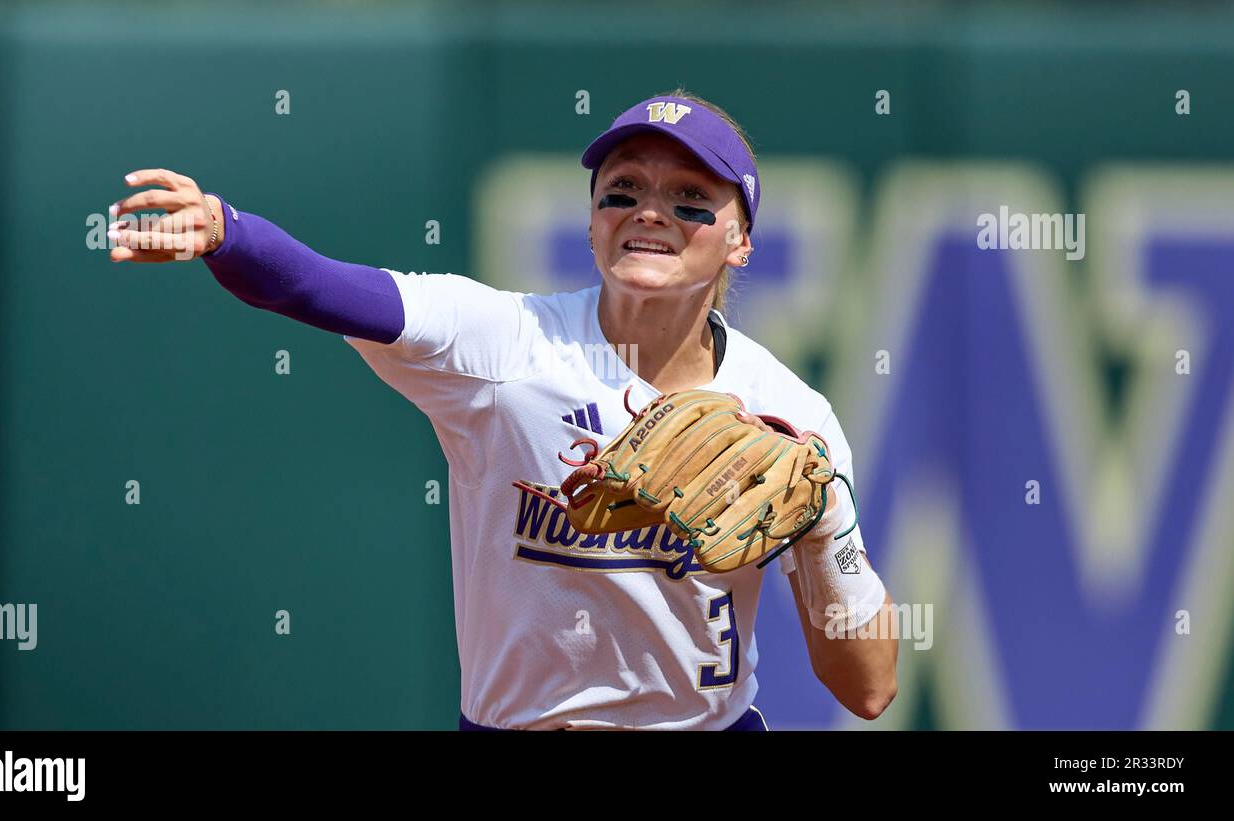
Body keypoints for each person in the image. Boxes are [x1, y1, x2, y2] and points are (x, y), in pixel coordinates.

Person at [107, 89, 898, 730]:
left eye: (692, 199)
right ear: (593, 224)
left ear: (740, 240)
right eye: (622, 191)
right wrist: (226, 231)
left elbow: (868, 688)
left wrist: (825, 520)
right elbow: (323, 286)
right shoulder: (507, 343)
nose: (650, 211)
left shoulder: (789, 416)